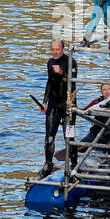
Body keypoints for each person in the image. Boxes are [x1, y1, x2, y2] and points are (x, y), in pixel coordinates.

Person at [37, 39, 76, 176]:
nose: (54, 52)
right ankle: (48, 164)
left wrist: (62, 74)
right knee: (49, 137)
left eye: (57, 49)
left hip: (68, 106)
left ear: (63, 50)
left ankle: (74, 164)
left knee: (69, 137)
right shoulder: (50, 62)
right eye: (52, 49)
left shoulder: (71, 62)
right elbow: (49, 82)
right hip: (53, 104)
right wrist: (44, 102)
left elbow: (73, 80)